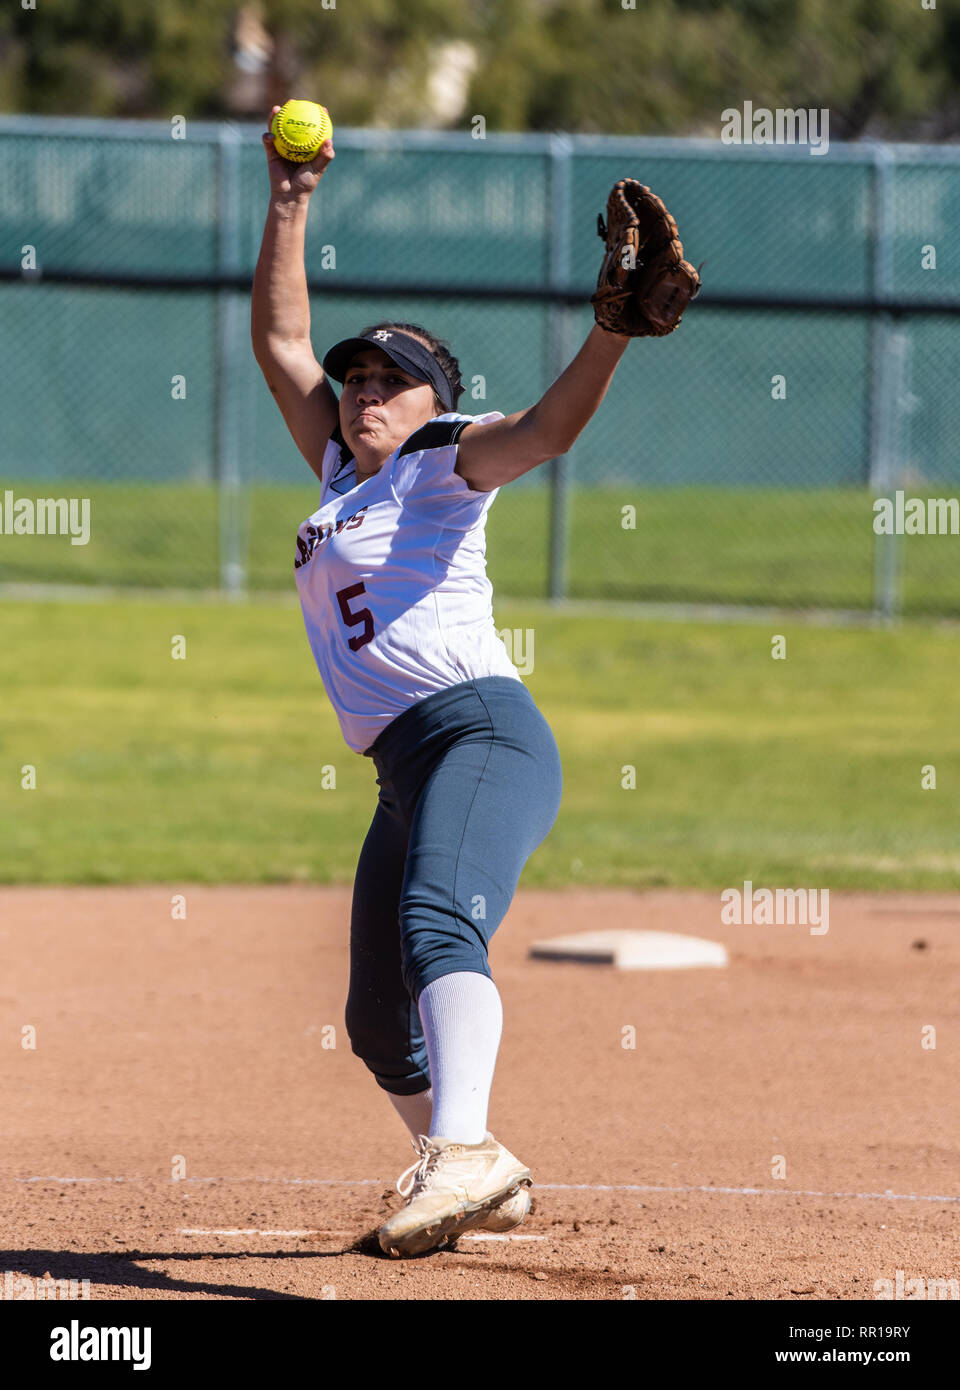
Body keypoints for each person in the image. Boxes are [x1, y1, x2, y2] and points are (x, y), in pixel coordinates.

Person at [251, 107, 632, 1258]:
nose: (366, 390)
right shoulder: (337, 470)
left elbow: (550, 429)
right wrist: (290, 195)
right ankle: (476, 1164)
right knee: (376, 1021)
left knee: (433, 929)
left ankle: (461, 1150)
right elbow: (280, 342)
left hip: (480, 737)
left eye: (394, 379)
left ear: (436, 398)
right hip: (404, 772)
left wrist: (610, 332)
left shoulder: (446, 459)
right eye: (357, 375)